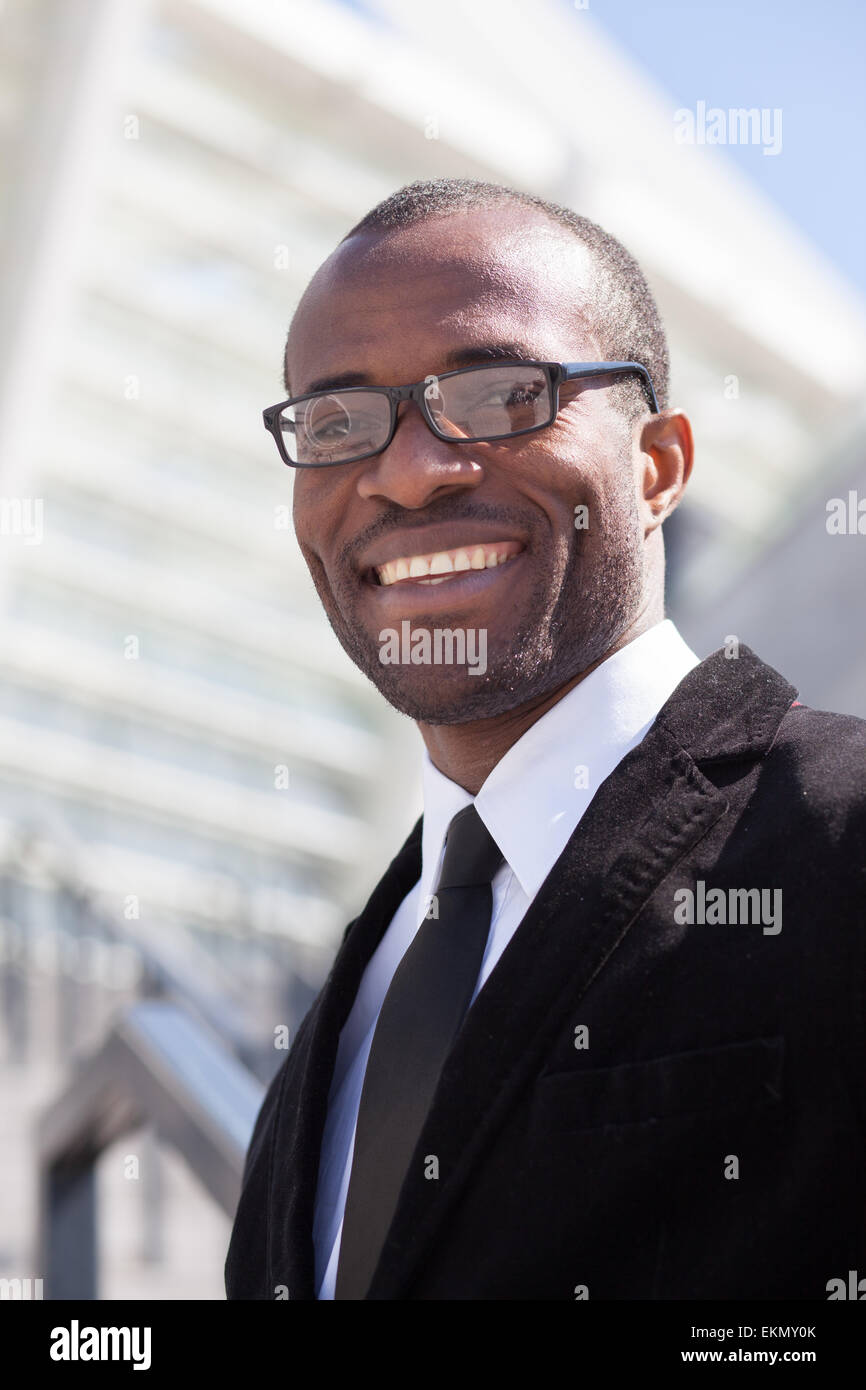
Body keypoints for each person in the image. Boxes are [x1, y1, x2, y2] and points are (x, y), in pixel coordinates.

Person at [225, 177, 866, 1300]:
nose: (409, 469)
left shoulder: (841, 841)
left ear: (657, 463)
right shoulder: (355, 1000)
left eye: (497, 392)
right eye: (336, 423)